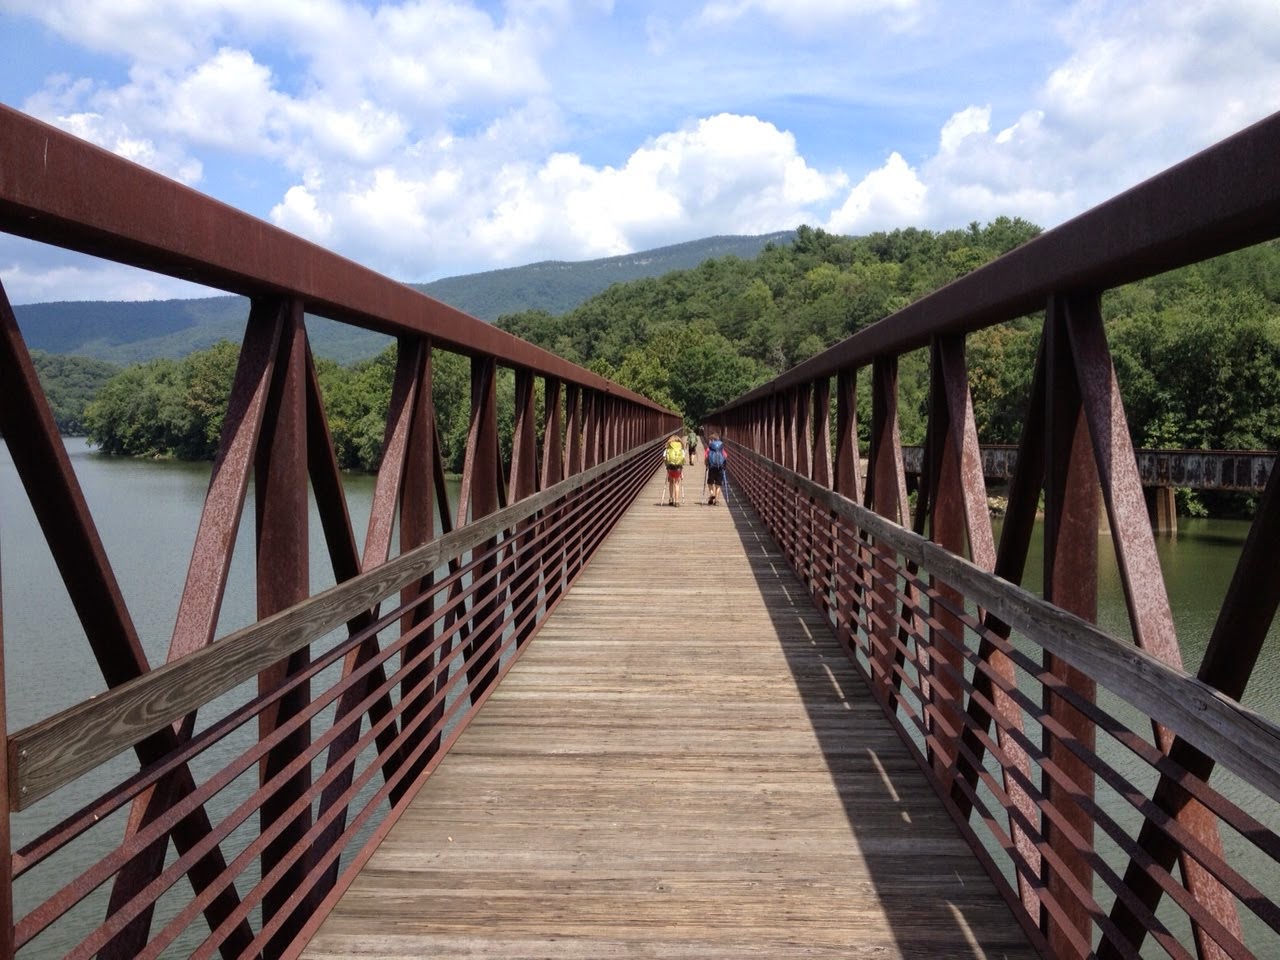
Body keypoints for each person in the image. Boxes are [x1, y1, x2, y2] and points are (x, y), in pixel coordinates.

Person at [705, 433, 727, 505]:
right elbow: (725, 456)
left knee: (710, 482)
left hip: (712, 468)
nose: (709, 442)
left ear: (712, 440)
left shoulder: (709, 449)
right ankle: (717, 500)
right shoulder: (721, 448)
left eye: (709, 440)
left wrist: (707, 465)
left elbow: (706, 457)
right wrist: (724, 466)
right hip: (720, 468)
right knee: (718, 485)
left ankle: (711, 493)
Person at [663, 435, 686, 506]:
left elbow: (664, 458)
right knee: (677, 484)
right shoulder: (681, 449)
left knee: (671, 483)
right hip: (678, 468)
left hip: (670, 468)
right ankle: (677, 501)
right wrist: (681, 470)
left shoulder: (668, 448)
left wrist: (667, 465)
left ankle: (671, 498)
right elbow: (683, 460)